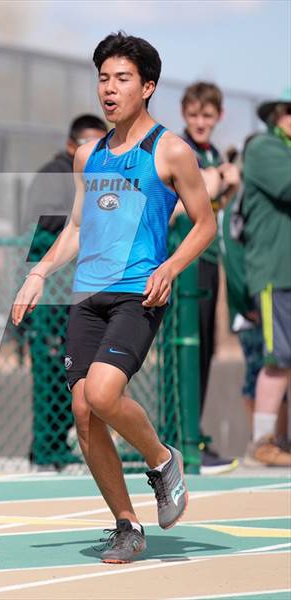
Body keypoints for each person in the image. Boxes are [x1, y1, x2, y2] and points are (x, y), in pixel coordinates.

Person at [12, 32, 216, 564]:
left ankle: (162, 459)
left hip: (138, 294)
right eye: (103, 78)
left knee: (103, 394)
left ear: (147, 87)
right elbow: (77, 227)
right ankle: (127, 525)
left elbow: (205, 224)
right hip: (87, 297)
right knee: (83, 411)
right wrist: (39, 272)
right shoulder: (88, 155)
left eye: (122, 78)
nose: (109, 88)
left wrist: (170, 266)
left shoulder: (170, 150)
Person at [23, 114, 108, 465]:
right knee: (51, 368)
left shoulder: (103, 173)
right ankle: (48, 446)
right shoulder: (54, 173)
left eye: (101, 143)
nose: (95, 150)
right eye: (88, 143)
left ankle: (69, 441)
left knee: (85, 374)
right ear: (72, 145)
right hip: (54, 297)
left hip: (83, 291)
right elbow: (50, 220)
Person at [173, 82, 240, 474]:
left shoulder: (212, 153)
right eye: (194, 115)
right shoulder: (180, 150)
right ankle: (182, 439)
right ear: (184, 114)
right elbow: (176, 208)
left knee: (206, 350)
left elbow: (215, 207)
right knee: (186, 349)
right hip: (185, 264)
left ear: (219, 116)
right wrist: (210, 180)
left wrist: (226, 185)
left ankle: (192, 434)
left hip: (210, 260)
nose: (200, 122)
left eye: (207, 115)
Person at [243, 92, 291, 466]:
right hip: (277, 273)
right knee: (279, 358)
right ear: (277, 115)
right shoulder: (264, 148)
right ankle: (262, 442)